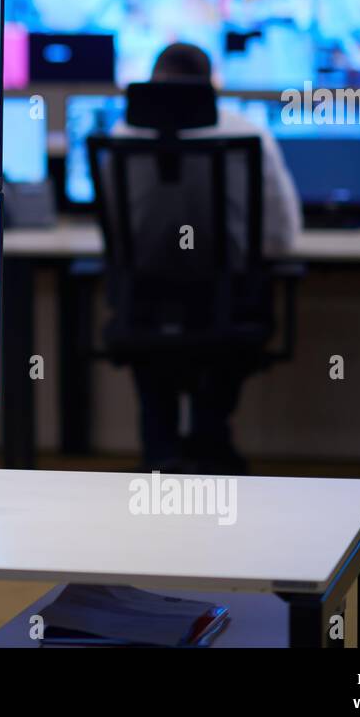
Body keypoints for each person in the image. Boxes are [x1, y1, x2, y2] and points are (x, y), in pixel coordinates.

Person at [111, 43, 303, 475]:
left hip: (144, 313)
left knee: (153, 343)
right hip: (227, 311)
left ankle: (161, 452)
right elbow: (282, 238)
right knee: (217, 339)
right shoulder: (248, 133)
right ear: (211, 86)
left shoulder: (123, 135)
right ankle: (208, 438)